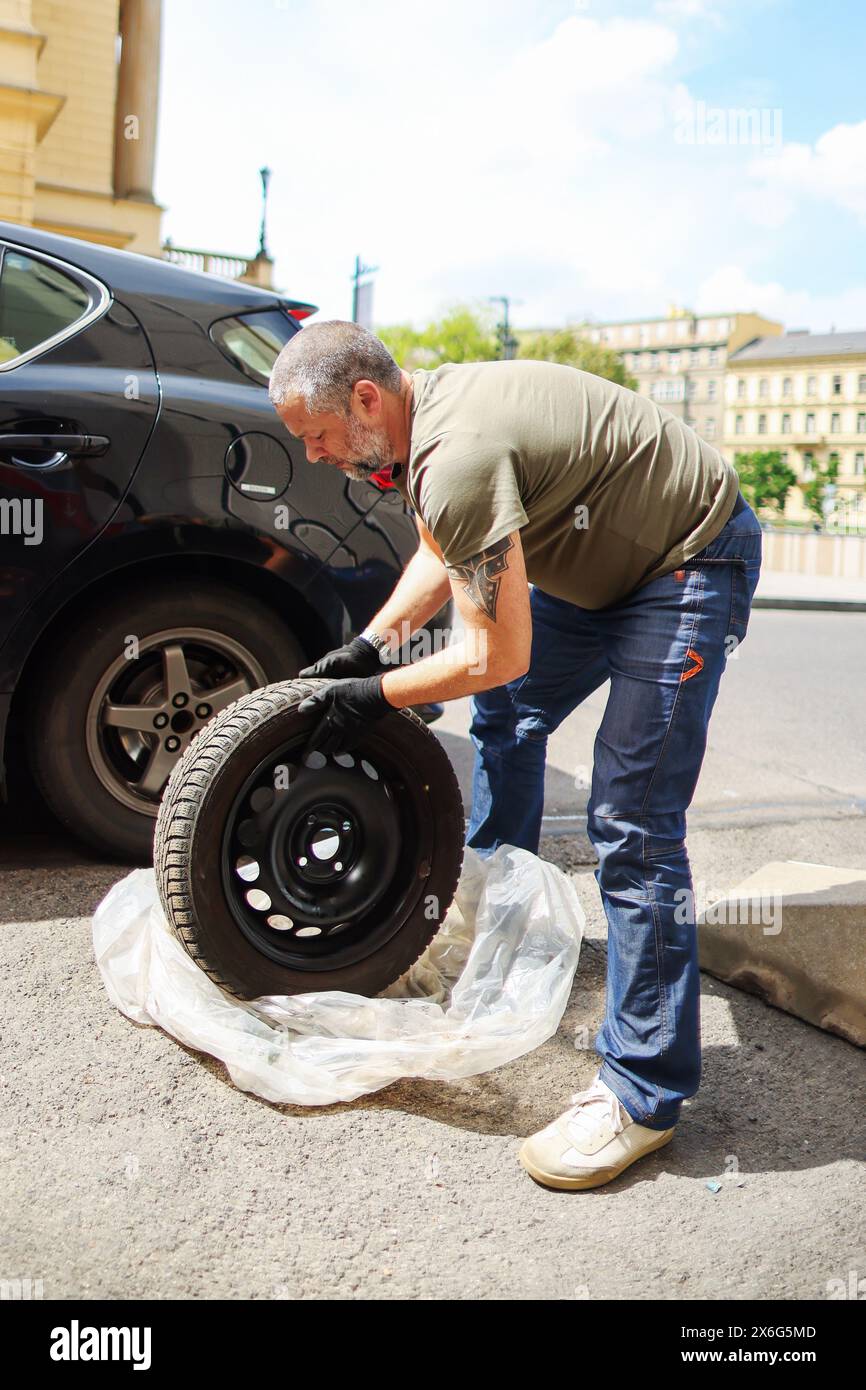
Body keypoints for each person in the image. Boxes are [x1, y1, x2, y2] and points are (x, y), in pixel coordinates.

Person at [268, 320, 763, 1192]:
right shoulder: (426, 426)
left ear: (366, 398)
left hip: (690, 558)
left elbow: (497, 651)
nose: (314, 456)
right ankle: (498, 927)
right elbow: (447, 541)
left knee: (633, 821)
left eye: (316, 435)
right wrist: (374, 647)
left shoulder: (454, 449)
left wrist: (372, 697)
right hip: (604, 573)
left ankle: (641, 1093)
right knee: (505, 719)